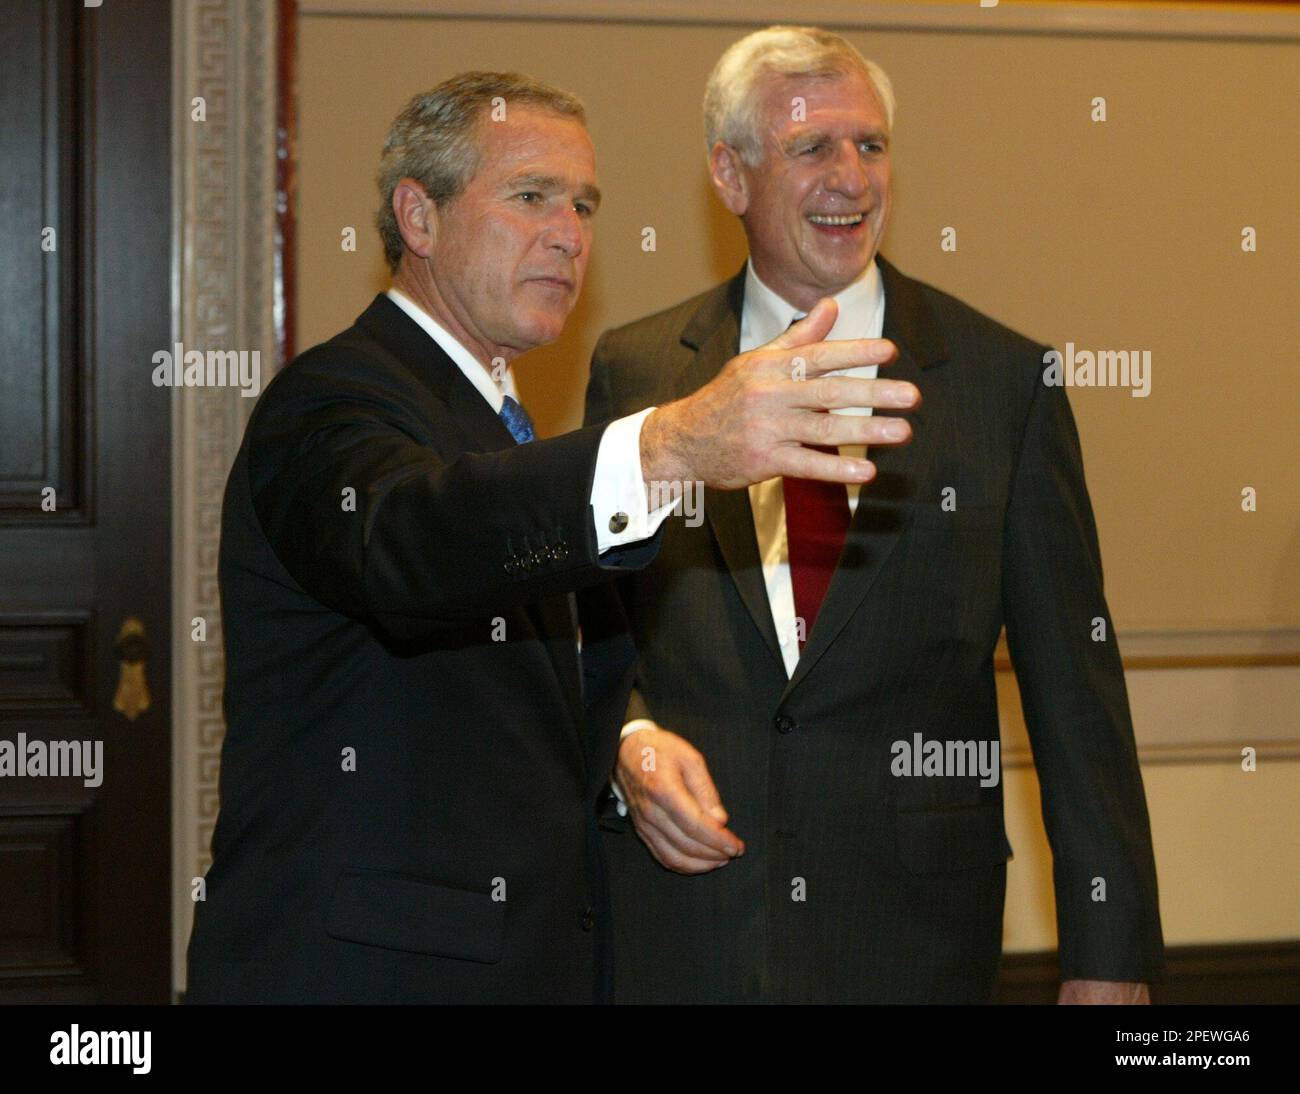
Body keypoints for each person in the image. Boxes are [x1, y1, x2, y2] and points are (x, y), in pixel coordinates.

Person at [184, 70, 917, 1003]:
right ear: (419, 217)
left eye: (583, 205)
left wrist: (628, 741)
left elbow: (522, 693)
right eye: (530, 197)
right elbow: (410, 543)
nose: (569, 234)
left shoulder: (505, 423)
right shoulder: (330, 400)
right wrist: (669, 446)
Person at [585, 26, 1165, 1004]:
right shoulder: (641, 373)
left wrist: (1108, 956)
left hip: (911, 937)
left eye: (870, 144)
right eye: (812, 147)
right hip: (683, 927)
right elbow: (590, 639)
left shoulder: (1000, 382)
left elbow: (1077, 691)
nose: (850, 179)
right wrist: (627, 737)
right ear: (730, 174)